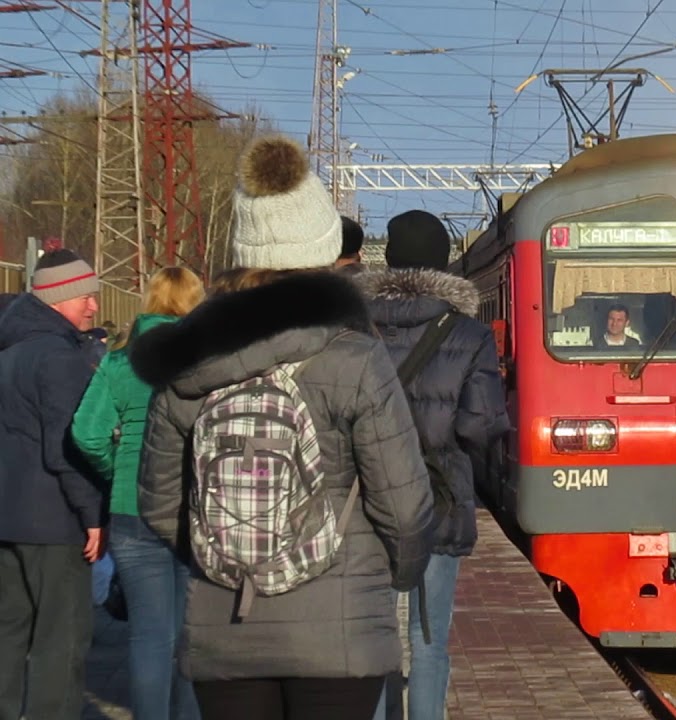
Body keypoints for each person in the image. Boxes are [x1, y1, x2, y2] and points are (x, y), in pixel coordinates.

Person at [129, 134, 440, 720]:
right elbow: (404, 506)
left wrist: (223, 555)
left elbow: (160, 500)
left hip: (223, 628)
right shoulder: (355, 357)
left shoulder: (188, 362)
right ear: (324, 250)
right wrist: (391, 576)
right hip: (340, 632)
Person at [357, 209, 510, 720]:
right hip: (439, 497)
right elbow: (478, 425)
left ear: (392, 260)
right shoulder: (468, 334)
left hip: (367, 499)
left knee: (373, 637)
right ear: (443, 263)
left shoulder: (356, 328)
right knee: (429, 640)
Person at [71, 266, 206, 720]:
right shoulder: (207, 359)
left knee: (149, 635)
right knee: (192, 633)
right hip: (194, 508)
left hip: (132, 507)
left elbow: (87, 434)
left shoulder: (116, 361)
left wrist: (116, 471)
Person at [0, 248, 104, 720]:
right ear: (60, 299)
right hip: (54, 521)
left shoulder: (12, 350)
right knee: (60, 644)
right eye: (86, 297)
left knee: (8, 633)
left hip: (9, 517)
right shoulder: (59, 359)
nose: (94, 307)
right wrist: (91, 515)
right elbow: (67, 447)